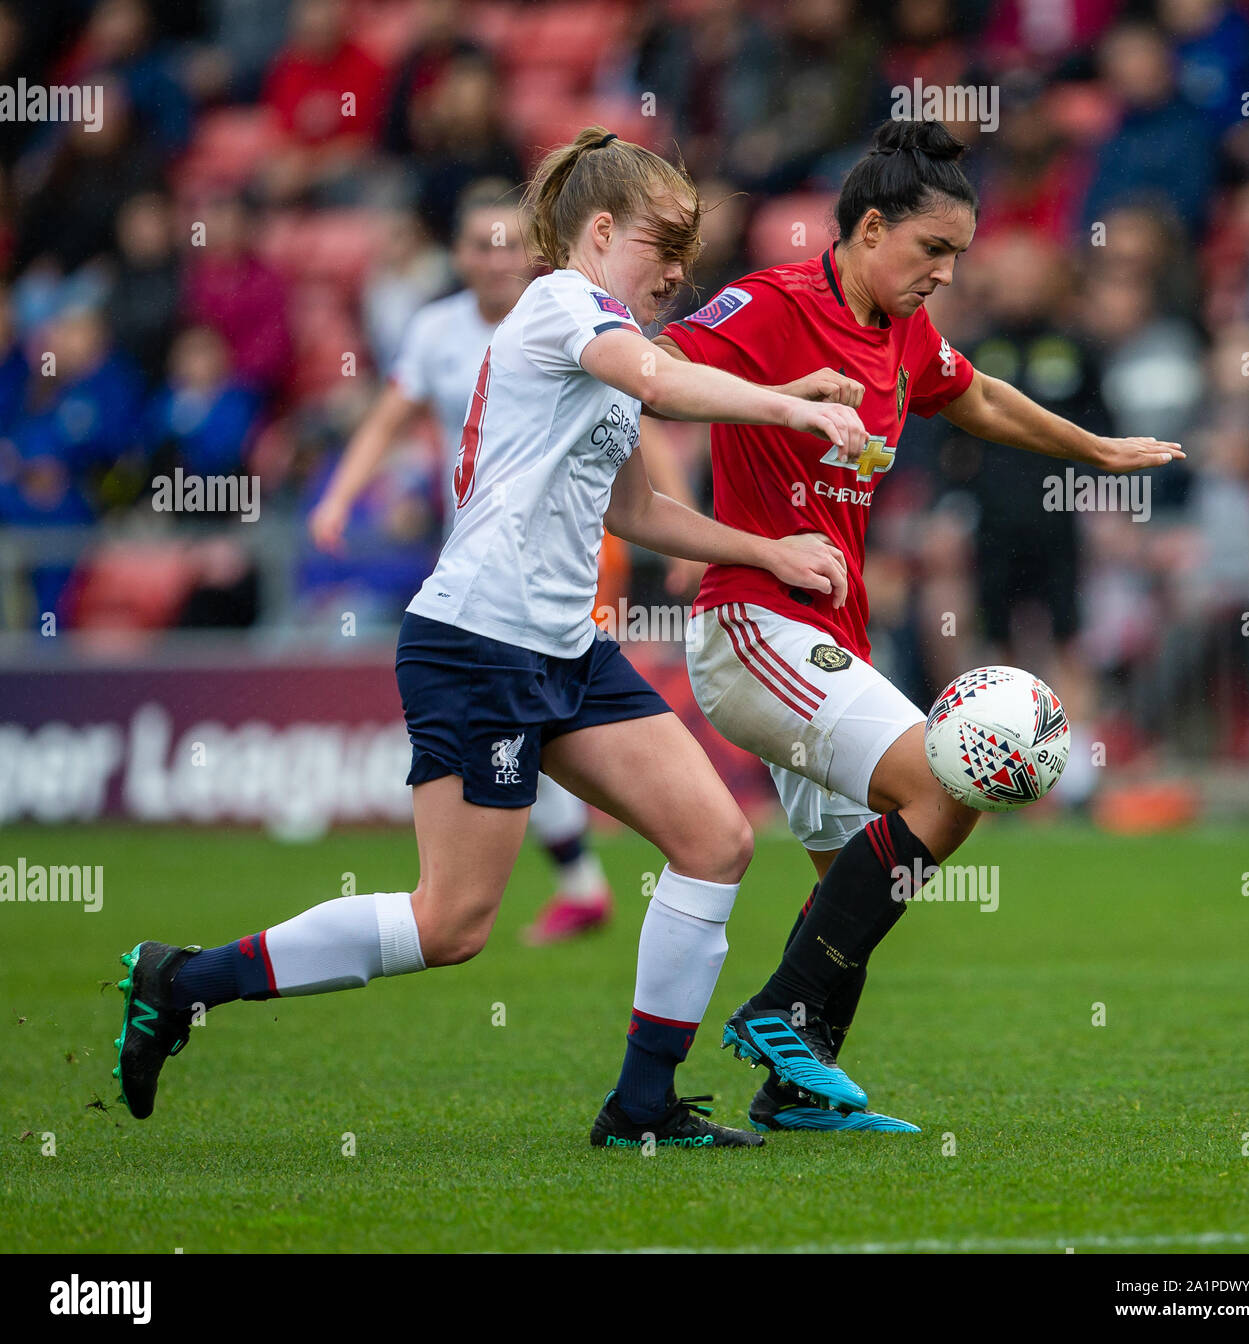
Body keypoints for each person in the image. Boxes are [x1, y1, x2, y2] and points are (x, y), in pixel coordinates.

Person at [112, 126, 868, 1150]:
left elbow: (637, 509)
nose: (682, 270)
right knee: (451, 925)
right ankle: (186, 980)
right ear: (599, 231)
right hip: (478, 645)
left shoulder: (604, 342)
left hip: (563, 648)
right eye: (666, 243)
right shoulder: (562, 303)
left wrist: (767, 550)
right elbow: (659, 383)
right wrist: (788, 407)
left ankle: (641, 1104)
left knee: (715, 840)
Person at [656, 117, 1185, 1133]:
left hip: (829, 638)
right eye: (930, 249)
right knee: (954, 781)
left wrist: (1094, 449)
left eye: (957, 254)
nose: (944, 272)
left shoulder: (904, 333)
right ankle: (779, 1014)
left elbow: (973, 392)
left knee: (853, 868)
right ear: (865, 230)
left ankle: (795, 1089)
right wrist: (778, 399)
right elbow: (651, 373)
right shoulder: (770, 306)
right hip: (754, 622)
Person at [310, 181, 618, 945]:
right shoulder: (437, 330)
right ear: (457, 255)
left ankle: (579, 880)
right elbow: (390, 417)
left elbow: (637, 413)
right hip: (474, 555)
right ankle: (580, 882)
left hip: (563, 547)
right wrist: (339, 498)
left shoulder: (567, 318)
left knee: (528, 711)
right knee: (521, 716)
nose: (495, 257)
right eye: (480, 243)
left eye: (509, 241)